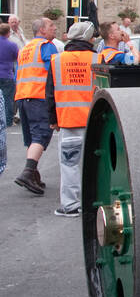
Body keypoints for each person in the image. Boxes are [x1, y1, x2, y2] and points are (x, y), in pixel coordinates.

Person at [46, 21, 96, 217]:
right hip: (93, 120)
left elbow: (50, 93)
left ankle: (71, 205)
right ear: (89, 39)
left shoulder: (57, 60)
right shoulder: (97, 58)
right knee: (91, 163)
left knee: (69, 164)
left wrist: (53, 119)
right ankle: (92, 203)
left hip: (69, 120)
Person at [12, 15, 59, 194]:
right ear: (42, 30)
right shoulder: (46, 46)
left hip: (23, 96)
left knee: (32, 138)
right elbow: (54, 71)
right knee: (41, 135)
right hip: (39, 96)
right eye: (51, 25)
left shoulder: (26, 48)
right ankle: (28, 172)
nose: (54, 28)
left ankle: (33, 175)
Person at [0, 21, 19, 129]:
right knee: (8, 99)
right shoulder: (12, 45)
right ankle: (8, 121)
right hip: (7, 74)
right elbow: (17, 58)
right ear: (8, 33)